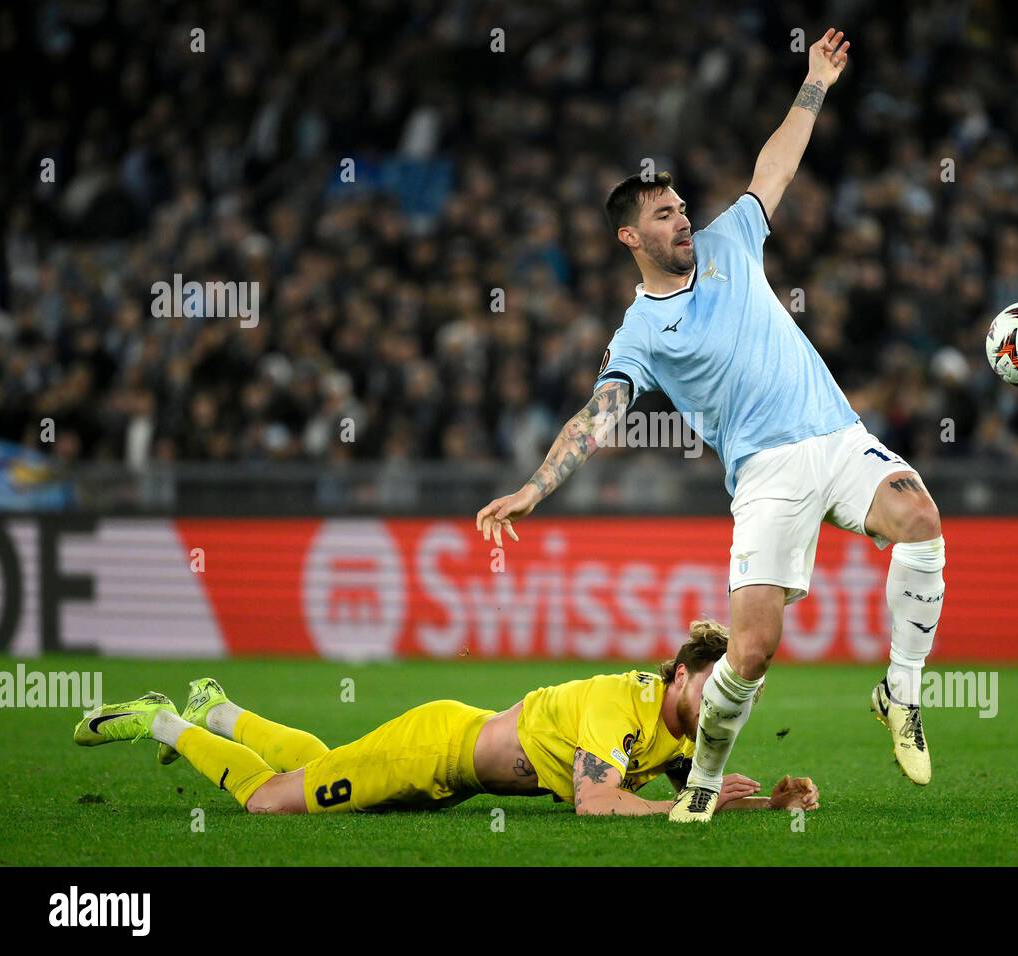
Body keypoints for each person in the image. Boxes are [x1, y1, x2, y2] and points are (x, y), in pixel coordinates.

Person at [477, 28, 943, 823]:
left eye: (683, 208)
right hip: (765, 475)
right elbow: (599, 416)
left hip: (835, 435)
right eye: (665, 215)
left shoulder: (731, 238)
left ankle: (900, 690)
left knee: (921, 520)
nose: (684, 221)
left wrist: (816, 84)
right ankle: (702, 784)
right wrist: (533, 485)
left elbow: (776, 168)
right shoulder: (639, 335)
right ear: (633, 237)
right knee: (750, 651)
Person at [73, 620, 820, 816]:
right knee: (272, 801)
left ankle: (221, 708)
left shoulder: (681, 728)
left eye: (741, 699)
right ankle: (165, 720)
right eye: (720, 692)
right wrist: (682, 809)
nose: (728, 709)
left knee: (323, 763)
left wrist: (766, 803)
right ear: (682, 676)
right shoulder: (618, 702)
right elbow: (598, 805)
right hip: (431, 753)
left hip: (452, 766)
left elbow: (694, 796)